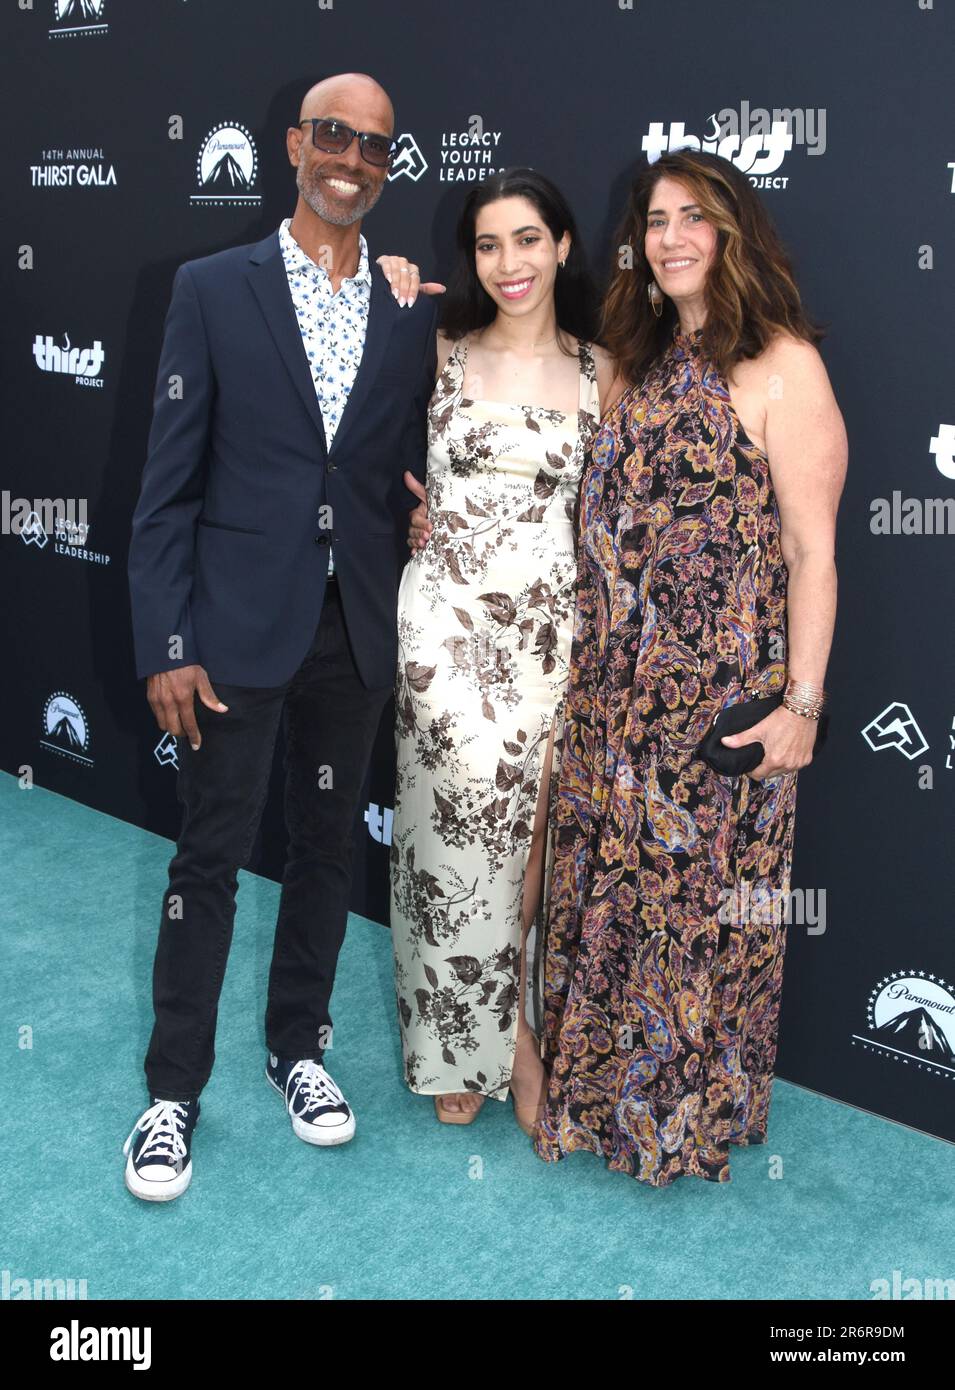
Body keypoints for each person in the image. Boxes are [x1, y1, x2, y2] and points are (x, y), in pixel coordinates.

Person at [123, 73, 437, 1201]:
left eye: (376, 145)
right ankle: (171, 1092)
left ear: (390, 166)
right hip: (233, 628)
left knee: (324, 852)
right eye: (334, 135)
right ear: (298, 144)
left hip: (352, 629)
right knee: (207, 858)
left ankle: (296, 1049)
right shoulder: (211, 289)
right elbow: (165, 490)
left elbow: (397, 460)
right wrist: (166, 639)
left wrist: (412, 514)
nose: (352, 158)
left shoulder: (410, 306)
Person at [533, 148, 847, 1185]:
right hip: (610, 696)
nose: (668, 237)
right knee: (602, 899)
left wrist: (801, 703)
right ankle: (591, 1102)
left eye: (692, 218)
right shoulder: (633, 357)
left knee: (688, 918)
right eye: (654, 218)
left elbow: (812, 552)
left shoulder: (785, 368)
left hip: (717, 707)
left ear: (731, 233)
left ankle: (671, 1124)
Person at [384, 170, 615, 1130]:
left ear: (562, 246)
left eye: (527, 240)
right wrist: (384, 282)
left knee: (527, 853)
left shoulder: (607, 369)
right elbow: (336, 436)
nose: (508, 263)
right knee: (453, 843)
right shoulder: (435, 349)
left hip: (553, 630)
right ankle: (482, 1047)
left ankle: (501, 1022)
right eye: (487, 245)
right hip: (445, 627)